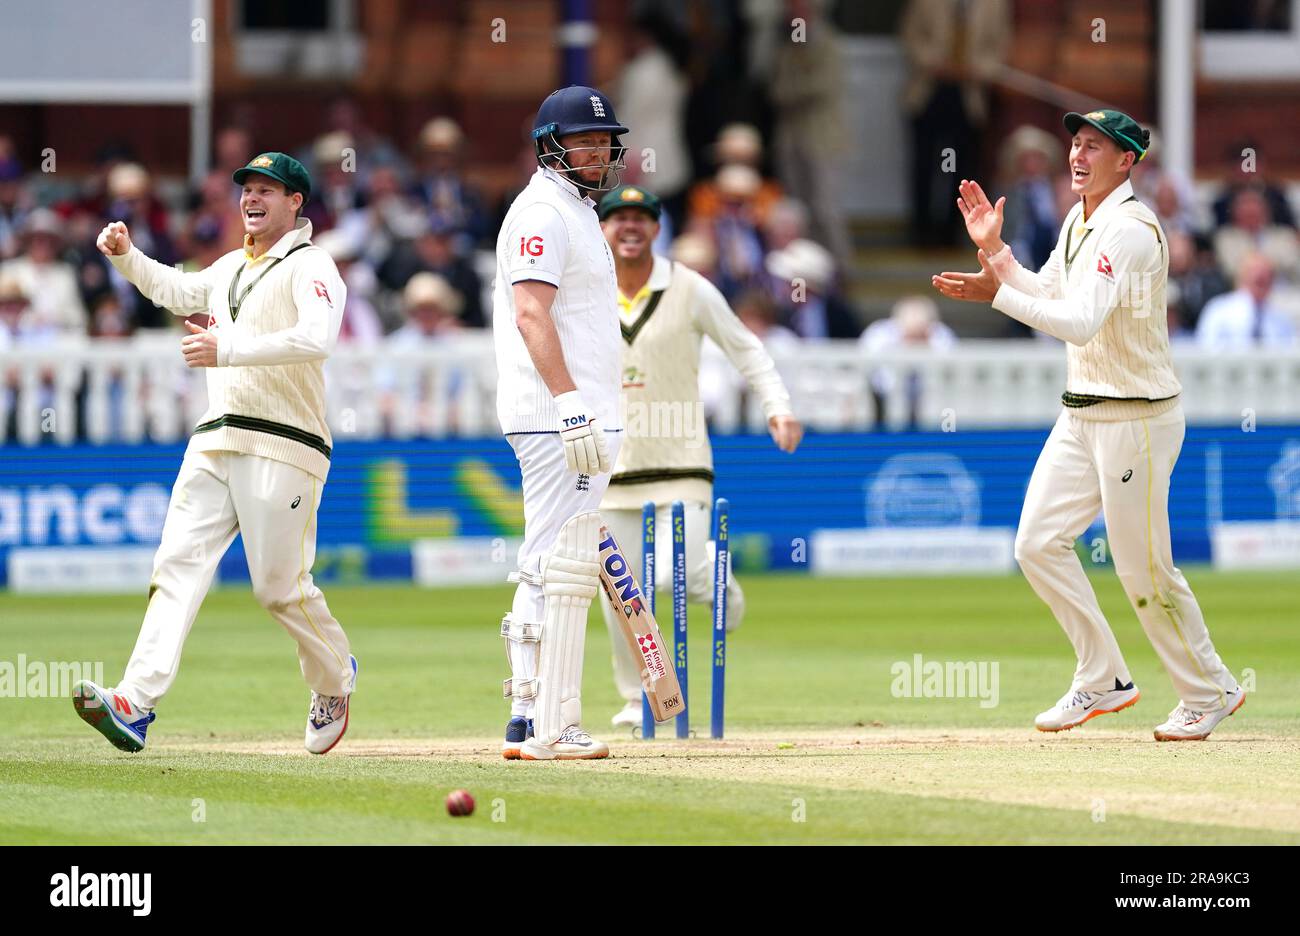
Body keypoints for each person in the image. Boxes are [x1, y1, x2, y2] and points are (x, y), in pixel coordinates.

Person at [932, 109, 1244, 741]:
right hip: (1082, 412)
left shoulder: (1130, 228)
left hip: (1137, 417)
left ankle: (1207, 690)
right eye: (1074, 144)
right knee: (1037, 544)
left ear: (1126, 161)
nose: (1077, 155)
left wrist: (993, 294)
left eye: (1093, 147)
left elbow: (1078, 322)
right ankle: (1102, 677)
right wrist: (993, 251)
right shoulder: (1080, 218)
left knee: (1144, 569)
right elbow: (1048, 292)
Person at [71, 152, 357, 755]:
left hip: (286, 441)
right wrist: (126, 255)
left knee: (278, 589)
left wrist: (228, 349)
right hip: (214, 436)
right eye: (247, 189)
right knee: (176, 565)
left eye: (268, 191)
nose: (253, 199)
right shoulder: (231, 265)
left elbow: (317, 339)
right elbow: (177, 289)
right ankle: (136, 701)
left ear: (295, 202)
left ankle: (334, 679)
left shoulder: (313, 265)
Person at [595, 184, 802, 727]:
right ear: (602, 229)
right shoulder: (585, 291)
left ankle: (719, 579)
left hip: (682, 462)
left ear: (657, 229)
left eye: (641, 218)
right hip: (611, 467)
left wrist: (777, 406)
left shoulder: (689, 287)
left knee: (671, 576)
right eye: (619, 219)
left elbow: (746, 348)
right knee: (622, 596)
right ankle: (636, 695)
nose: (630, 227)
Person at [492, 85, 628, 761]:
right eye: (584, 140)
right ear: (551, 146)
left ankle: (527, 716)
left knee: (550, 561)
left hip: (572, 413)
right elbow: (530, 313)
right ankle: (551, 723)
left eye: (605, 140)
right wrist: (572, 401)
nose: (598, 151)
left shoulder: (575, 210)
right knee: (555, 563)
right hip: (557, 418)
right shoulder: (542, 210)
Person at [1195, 252, 1294, 348]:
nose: (1260, 275)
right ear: (1241, 275)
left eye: (1266, 273)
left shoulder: (1281, 319)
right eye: (1254, 270)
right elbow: (1206, 347)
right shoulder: (1218, 310)